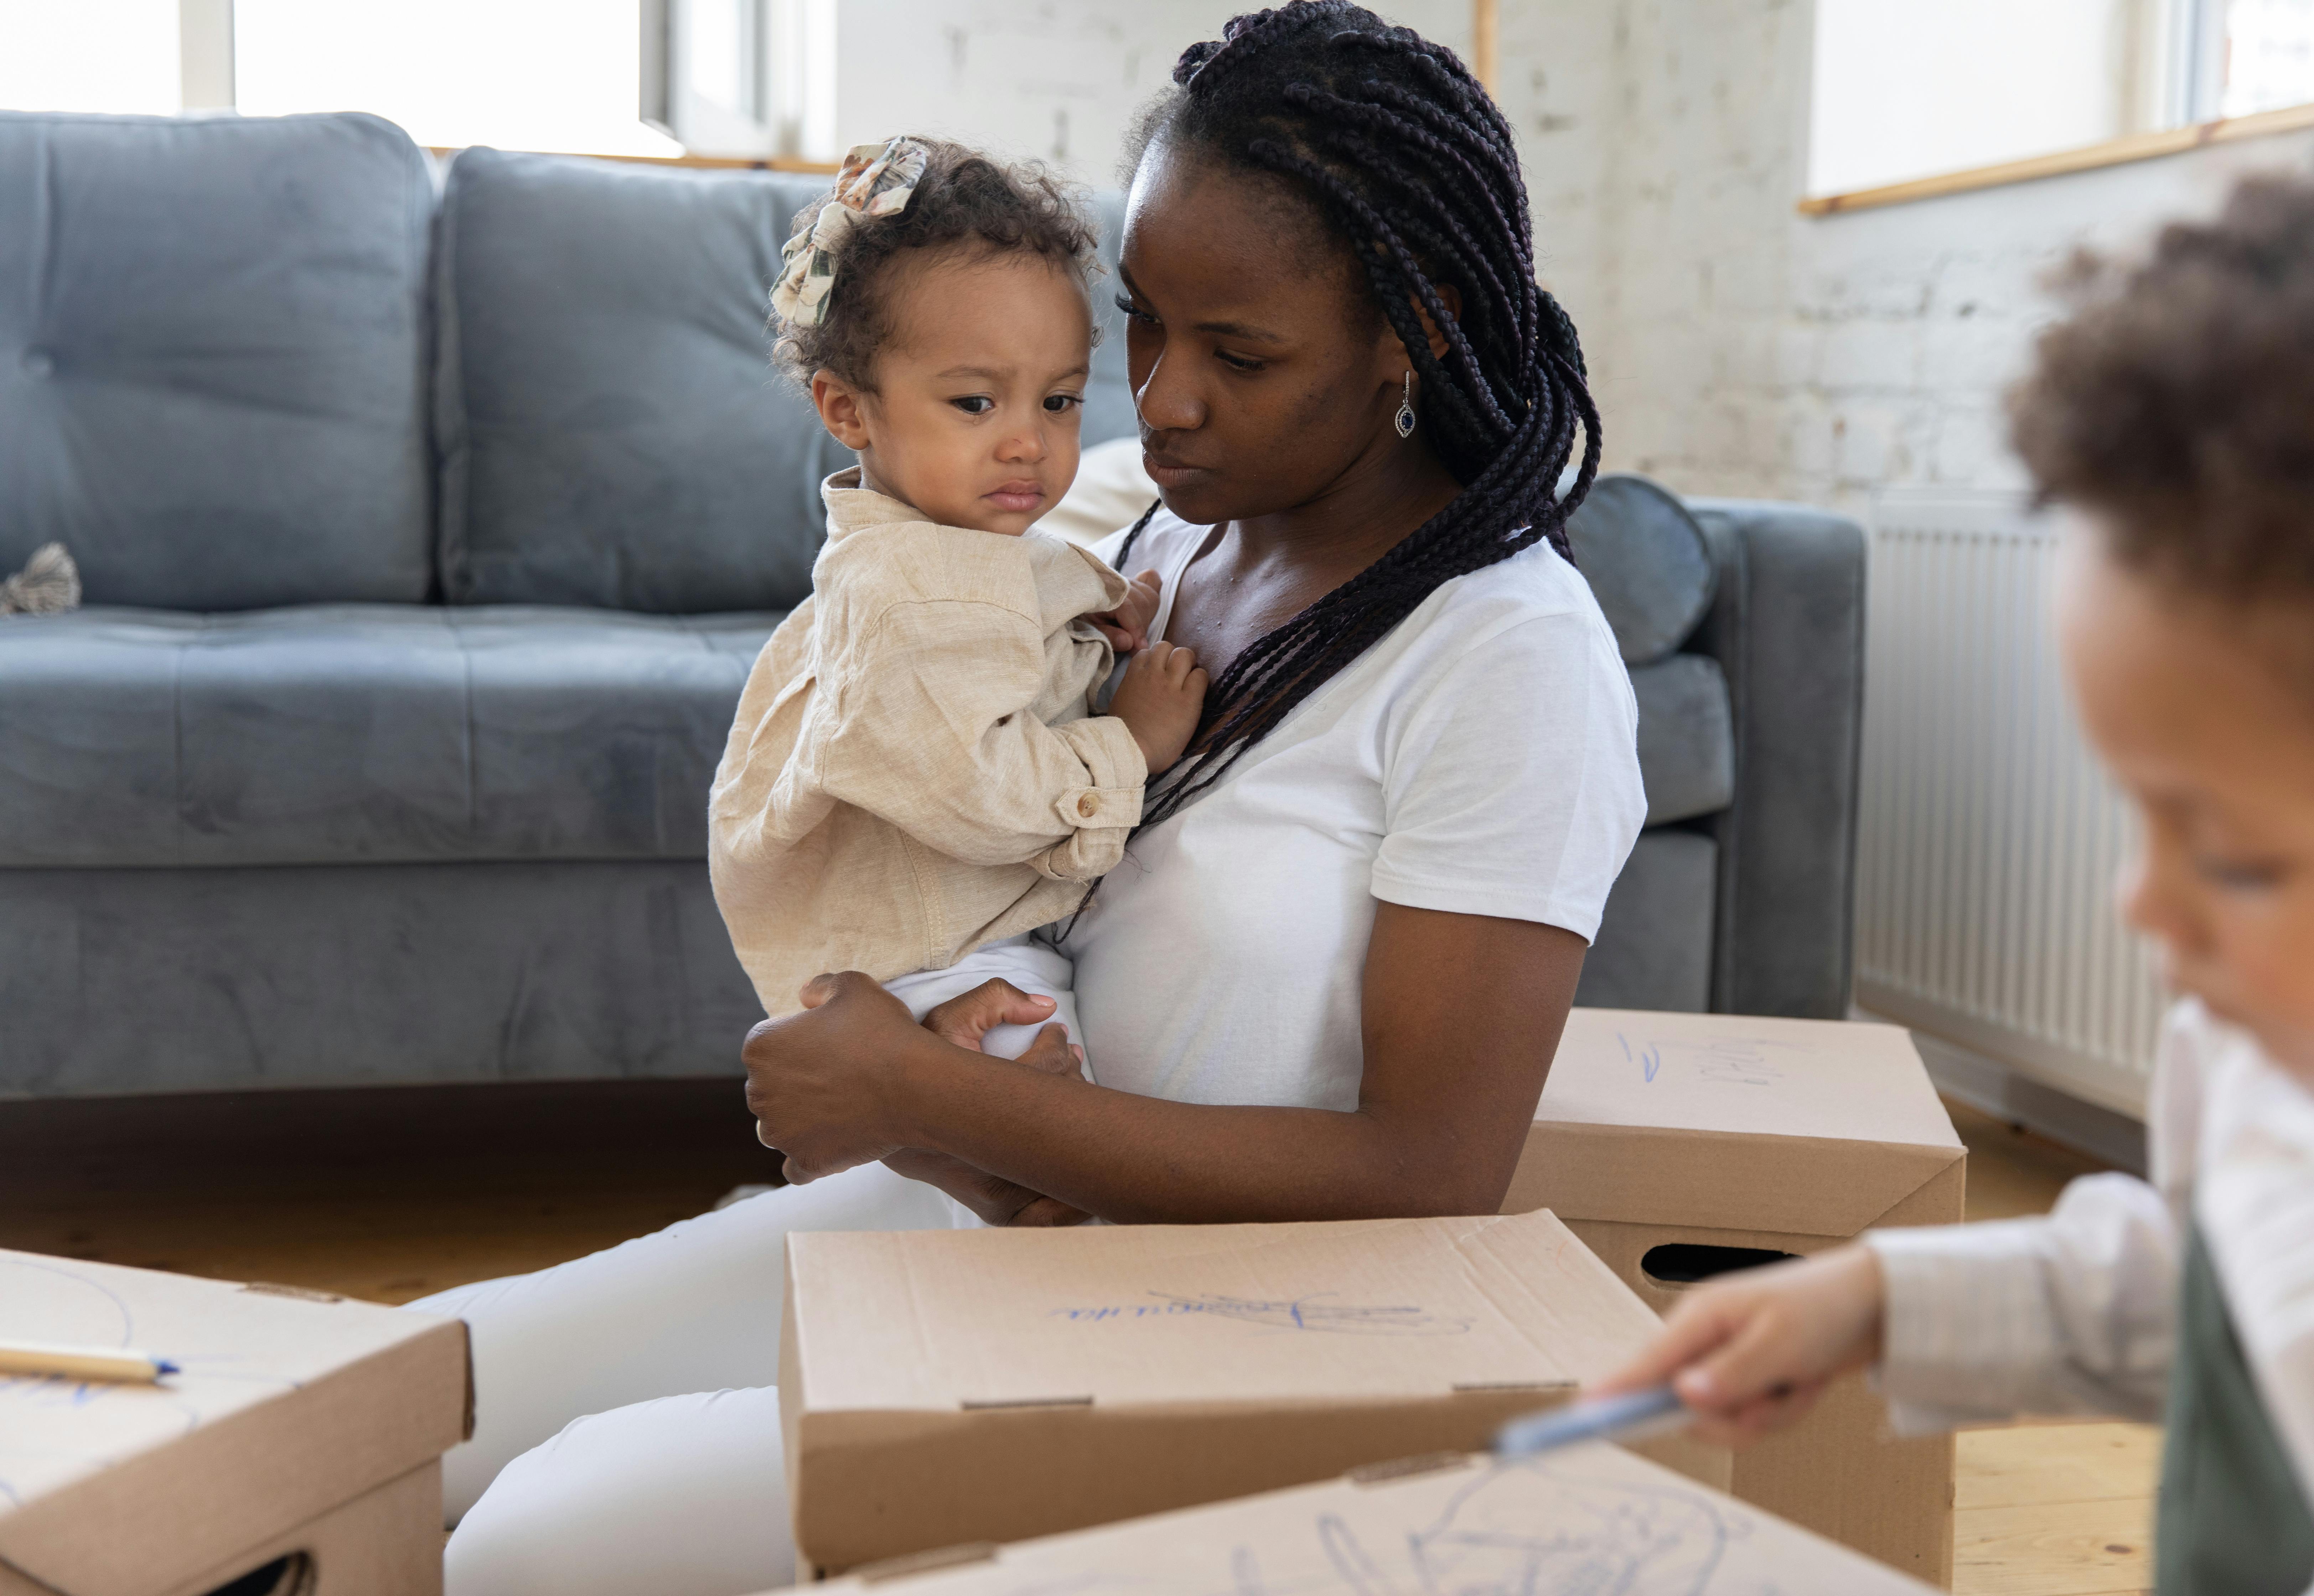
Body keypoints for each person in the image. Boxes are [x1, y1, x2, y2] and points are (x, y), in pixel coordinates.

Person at [423, 6, 1644, 1591]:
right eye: (1141, 324)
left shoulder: (1513, 660)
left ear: (1412, 332)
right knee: (405, 1400)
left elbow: (1430, 1178)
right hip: (964, 1208)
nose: (1164, 399)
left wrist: (931, 1100)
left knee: (527, 1546)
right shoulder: (1154, 535)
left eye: (1242, 353)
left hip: (1195, 1323)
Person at [1594, 126, 2314, 1596]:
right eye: (2137, 813)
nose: (2141, 902)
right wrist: (1876, 1298)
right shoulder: (2264, 1050)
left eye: (2243, 862)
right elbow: (2204, 1293)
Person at [709, 134, 1206, 1074]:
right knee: (1054, 1123)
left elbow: (1015, 607)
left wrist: (1098, 607)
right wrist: (1128, 744)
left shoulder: (954, 550)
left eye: (1059, 403)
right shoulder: (910, 594)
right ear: (848, 410)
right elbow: (975, 793)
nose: (1027, 442)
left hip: (965, 937)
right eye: (977, 404)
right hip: (929, 962)